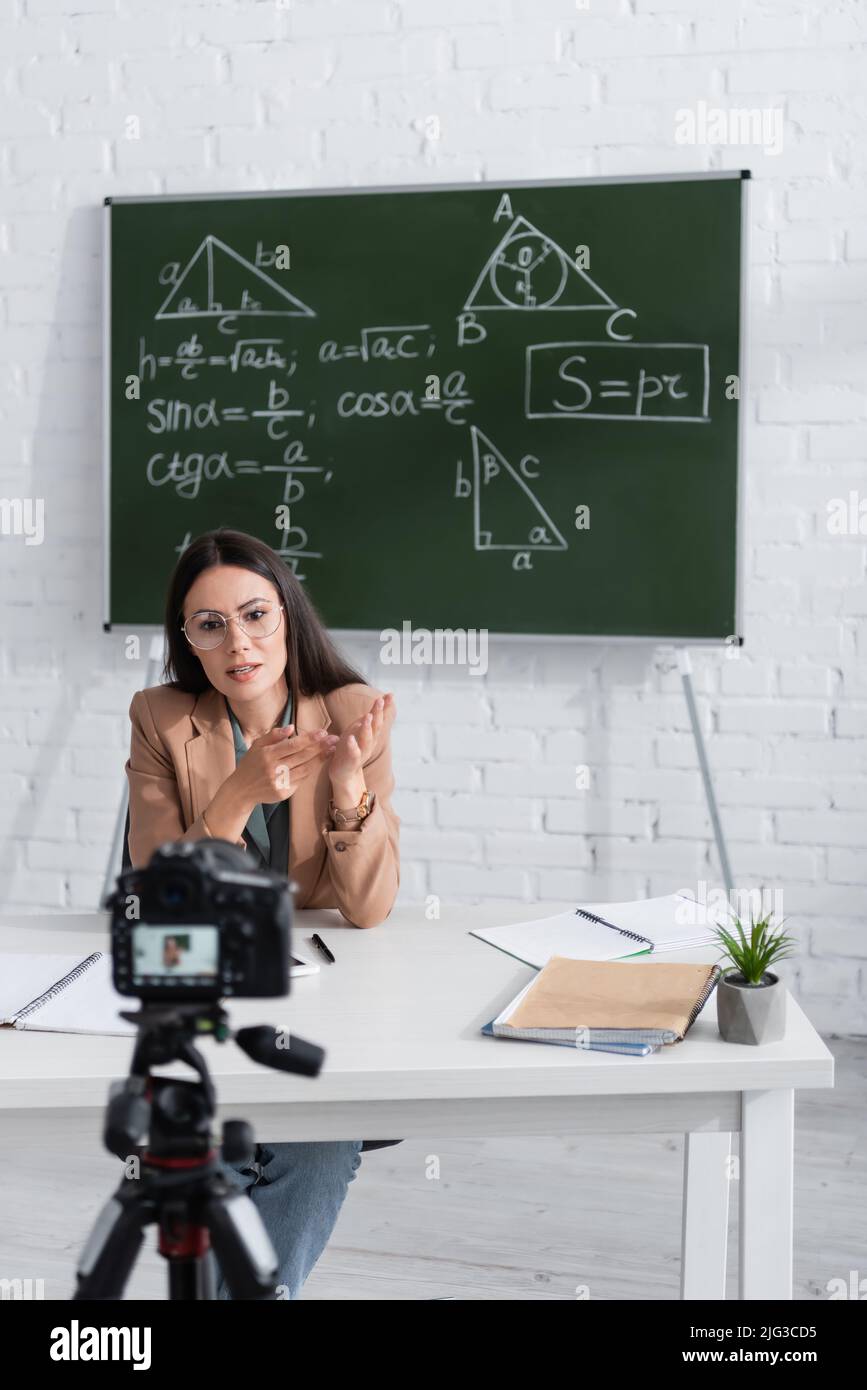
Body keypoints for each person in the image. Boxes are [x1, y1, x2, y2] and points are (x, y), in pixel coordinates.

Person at [124, 527, 400, 1298]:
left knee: (318, 1139)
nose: (237, 642)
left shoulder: (349, 709)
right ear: (189, 640)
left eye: (254, 615)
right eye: (209, 625)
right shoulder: (159, 716)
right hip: (201, 995)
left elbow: (370, 908)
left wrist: (347, 789)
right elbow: (156, 885)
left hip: (326, 1004)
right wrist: (240, 791)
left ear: (288, 615)